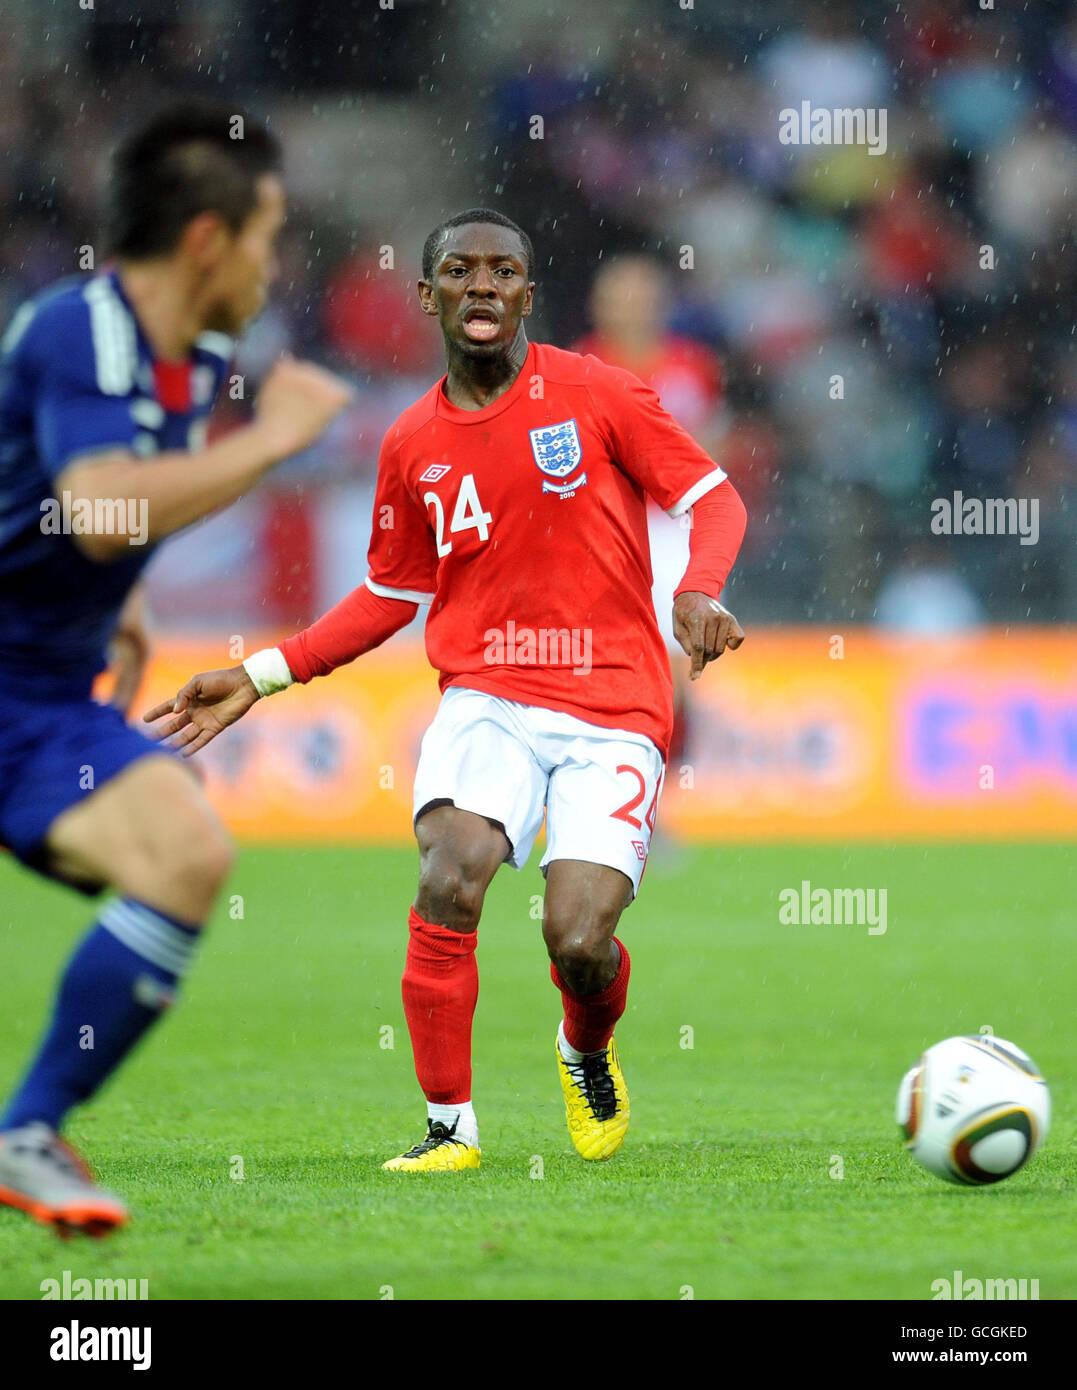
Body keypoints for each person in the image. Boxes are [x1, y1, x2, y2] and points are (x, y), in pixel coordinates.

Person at [145, 209, 747, 1173]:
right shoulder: (411, 442)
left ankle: (584, 1046)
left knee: (579, 938)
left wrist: (698, 589)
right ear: (426, 296)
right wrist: (260, 675)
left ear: (526, 295)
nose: (481, 286)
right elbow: (390, 593)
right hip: (488, 697)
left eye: (502, 271)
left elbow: (711, 497)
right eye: (458, 272)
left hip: (616, 705)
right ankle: (448, 1129)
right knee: (450, 870)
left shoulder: (597, 392)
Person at [0, 102, 352, 1233]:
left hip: (43, 696)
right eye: (267, 233)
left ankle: (28, 1132)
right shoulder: (78, 331)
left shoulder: (198, 355)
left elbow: (102, 507)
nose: (275, 260)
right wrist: (275, 440)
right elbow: (100, 504)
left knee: (186, 848)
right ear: (207, 238)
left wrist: (127, 601)